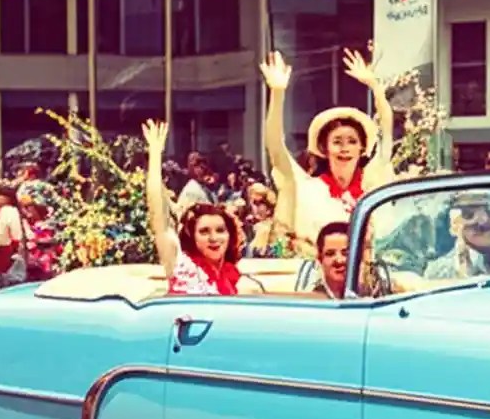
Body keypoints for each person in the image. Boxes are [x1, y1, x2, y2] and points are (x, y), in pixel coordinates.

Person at [260, 48, 395, 249]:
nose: (345, 148)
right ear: (324, 148)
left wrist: (375, 87)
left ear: (362, 148)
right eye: (337, 142)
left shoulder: (372, 185)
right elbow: (276, 147)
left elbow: (386, 129)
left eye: (352, 141)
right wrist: (277, 93)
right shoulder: (308, 188)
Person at [142, 119, 261, 297]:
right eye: (204, 231)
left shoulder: (238, 281)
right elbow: (158, 217)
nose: (214, 238)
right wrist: (155, 154)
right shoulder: (179, 264)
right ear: (193, 237)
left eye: (220, 230)